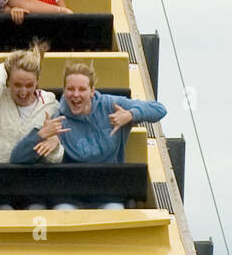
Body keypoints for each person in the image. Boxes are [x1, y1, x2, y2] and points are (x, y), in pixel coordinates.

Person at [12, 61, 166, 186]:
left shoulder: (109, 105)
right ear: (64, 91)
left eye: (82, 89)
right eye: (70, 89)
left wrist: (130, 115)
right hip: (72, 194)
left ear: (92, 91)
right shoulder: (58, 119)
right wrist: (41, 135)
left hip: (109, 191)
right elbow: (17, 159)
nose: (76, 94)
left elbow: (159, 109)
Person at [0, 42, 64, 164]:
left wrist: (54, 145)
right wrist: (8, 65)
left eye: (29, 85)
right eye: (17, 85)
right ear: (7, 80)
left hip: (33, 176)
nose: (23, 92)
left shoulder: (50, 104)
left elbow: (55, 159)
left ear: (37, 82)